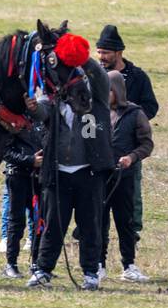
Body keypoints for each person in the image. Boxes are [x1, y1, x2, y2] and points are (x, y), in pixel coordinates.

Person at [28, 33, 114, 291]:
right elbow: (41, 110)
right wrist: (32, 107)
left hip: (89, 173)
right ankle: (43, 269)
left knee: (90, 226)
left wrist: (81, 57)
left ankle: (90, 272)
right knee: (53, 226)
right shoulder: (52, 101)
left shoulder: (96, 100)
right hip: (58, 173)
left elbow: (98, 76)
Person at [96, 25, 157, 243]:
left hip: (129, 145)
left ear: (119, 53)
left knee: (132, 190)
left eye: (106, 53)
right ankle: (90, 228)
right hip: (100, 142)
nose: (101, 57)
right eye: (99, 52)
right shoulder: (93, 75)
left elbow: (151, 105)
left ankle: (132, 229)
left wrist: (135, 121)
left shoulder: (138, 77)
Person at [102, 71, 154, 281]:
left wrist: (131, 158)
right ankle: (98, 265)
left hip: (125, 178)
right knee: (98, 222)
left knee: (126, 222)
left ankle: (129, 265)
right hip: (101, 177)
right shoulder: (97, 113)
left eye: (108, 91)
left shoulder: (135, 113)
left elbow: (147, 144)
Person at [1, 119, 45, 280]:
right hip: (17, 176)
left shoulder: (41, 121)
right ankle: (11, 264)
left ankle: (36, 263)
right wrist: (30, 160)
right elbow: (5, 152)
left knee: (39, 220)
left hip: (38, 178)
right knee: (16, 221)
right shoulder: (13, 121)